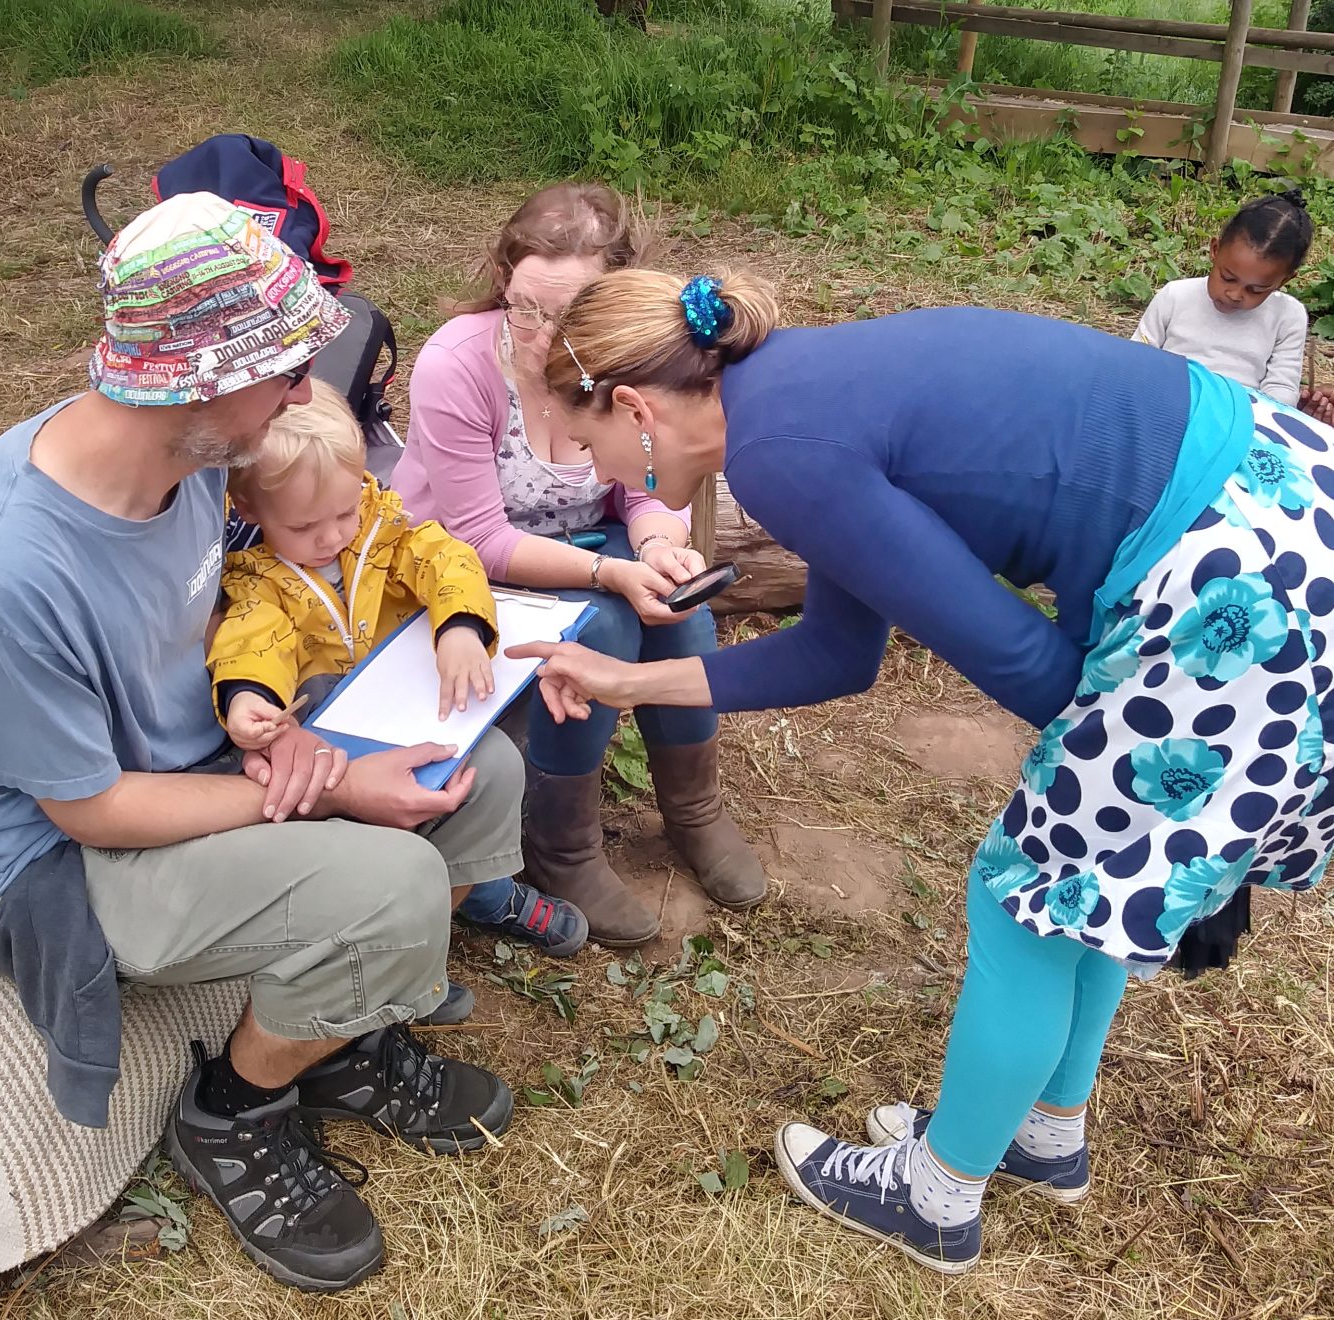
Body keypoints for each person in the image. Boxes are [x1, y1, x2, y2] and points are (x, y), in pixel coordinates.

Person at [511, 269, 1332, 1274]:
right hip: (1278, 501)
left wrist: (1127, 785)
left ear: (636, 409)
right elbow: (841, 655)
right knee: (1084, 874)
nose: (597, 474)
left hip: (1238, 580)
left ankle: (938, 1196)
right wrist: (630, 686)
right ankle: (1044, 1132)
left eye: (590, 446)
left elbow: (1026, 665)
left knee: (1028, 894)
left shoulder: (779, 451)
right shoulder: (785, 390)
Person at [0, 192, 522, 1294]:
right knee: (395, 884)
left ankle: (340, 1035)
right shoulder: (7, 578)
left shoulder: (181, 456)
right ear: (207, 379)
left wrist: (282, 729)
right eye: (285, 372)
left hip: (189, 764)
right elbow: (86, 810)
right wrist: (318, 790)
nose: (312, 394)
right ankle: (234, 1110)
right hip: (59, 858)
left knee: (481, 770)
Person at [392, 183, 764, 946]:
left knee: (683, 614)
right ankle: (562, 847)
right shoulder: (456, 365)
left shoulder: (625, 355)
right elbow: (478, 538)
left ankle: (693, 812)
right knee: (606, 626)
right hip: (463, 572)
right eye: (526, 306)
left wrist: (659, 544)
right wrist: (613, 574)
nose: (540, 332)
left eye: (568, 314)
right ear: (503, 282)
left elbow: (642, 482)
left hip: (583, 546)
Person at [209, 378, 588, 956]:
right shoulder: (260, 580)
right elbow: (251, 639)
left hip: (415, 704)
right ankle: (398, 933)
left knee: (470, 779)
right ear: (250, 508)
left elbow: (446, 559)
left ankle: (483, 888)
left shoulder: (380, 531)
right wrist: (245, 697)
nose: (331, 537)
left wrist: (459, 625)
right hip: (336, 732)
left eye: (341, 514)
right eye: (304, 528)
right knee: (374, 832)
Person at [1133, 189, 1331, 419]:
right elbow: (1139, 356)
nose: (1235, 294)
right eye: (1228, 278)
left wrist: (1264, 414)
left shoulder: (1288, 315)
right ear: (1215, 250)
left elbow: (1282, 387)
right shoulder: (1175, 295)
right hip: (1168, 406)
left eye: (1256, 289)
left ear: (1284, 280)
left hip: (1240, 420)